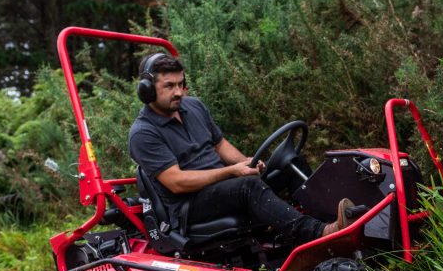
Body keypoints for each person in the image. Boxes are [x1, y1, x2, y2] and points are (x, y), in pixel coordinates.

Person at [127, 53, 350, 245]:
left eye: (180, 84)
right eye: (169, 86)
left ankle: (340, 222)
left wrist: (247, 163)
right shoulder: (143, 133)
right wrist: (232, 172)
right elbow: (176, 182)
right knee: (247, 186)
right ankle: (318, 233)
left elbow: (220, 144)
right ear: (147, 90)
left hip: (223, 187)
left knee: (291, 164)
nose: (178, 92)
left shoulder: (193, 106)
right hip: (189, 205)